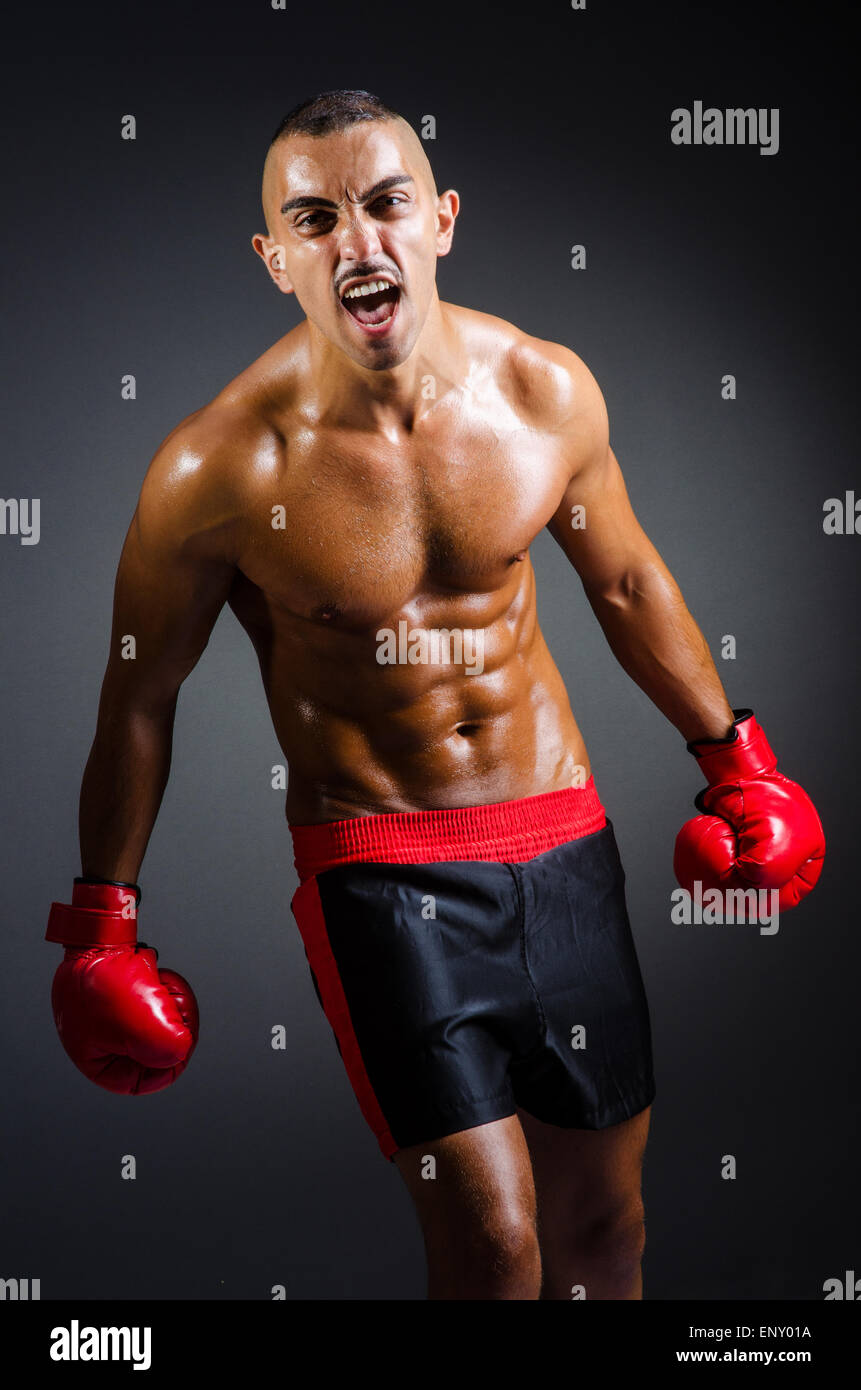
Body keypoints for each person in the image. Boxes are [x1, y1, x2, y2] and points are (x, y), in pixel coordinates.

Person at [46, 89, 825, 1300]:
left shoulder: (543, 393)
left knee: (605, 1230)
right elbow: (140, 697)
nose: (358, 241)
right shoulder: (219, 468)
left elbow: (623, 581)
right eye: (315, 219)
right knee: (495, 1245)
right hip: (384, 877)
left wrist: (738, 761)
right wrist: (102, 923)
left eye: (385, 203)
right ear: (276, 258)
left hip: (563, 842)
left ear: (441, 221)